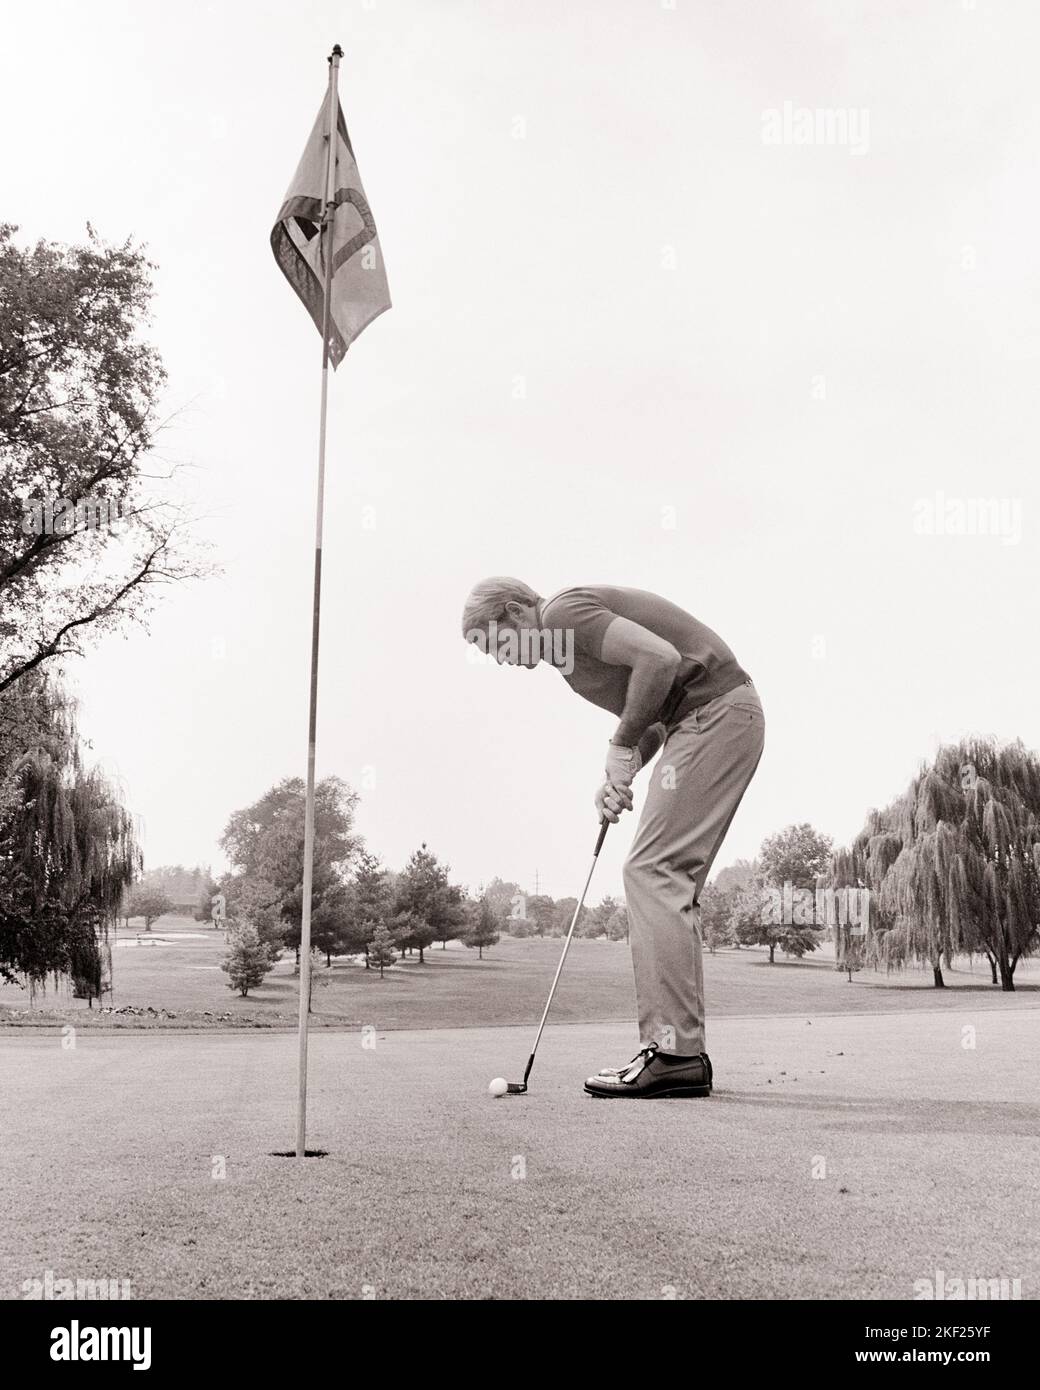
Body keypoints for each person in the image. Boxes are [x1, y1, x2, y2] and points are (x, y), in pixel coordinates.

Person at [462, 577, 764, 1099]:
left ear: (515, 611)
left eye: (496, 645)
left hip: (715, 714)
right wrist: (619, 774)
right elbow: (649, 721)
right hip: (712, 719)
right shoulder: (567, 665)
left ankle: (675, 1056)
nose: (500, 661)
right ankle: (679, 1053)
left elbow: (661, 659)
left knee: (652, 872)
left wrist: (619, 745)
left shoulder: (561, 614)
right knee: (667, 881)